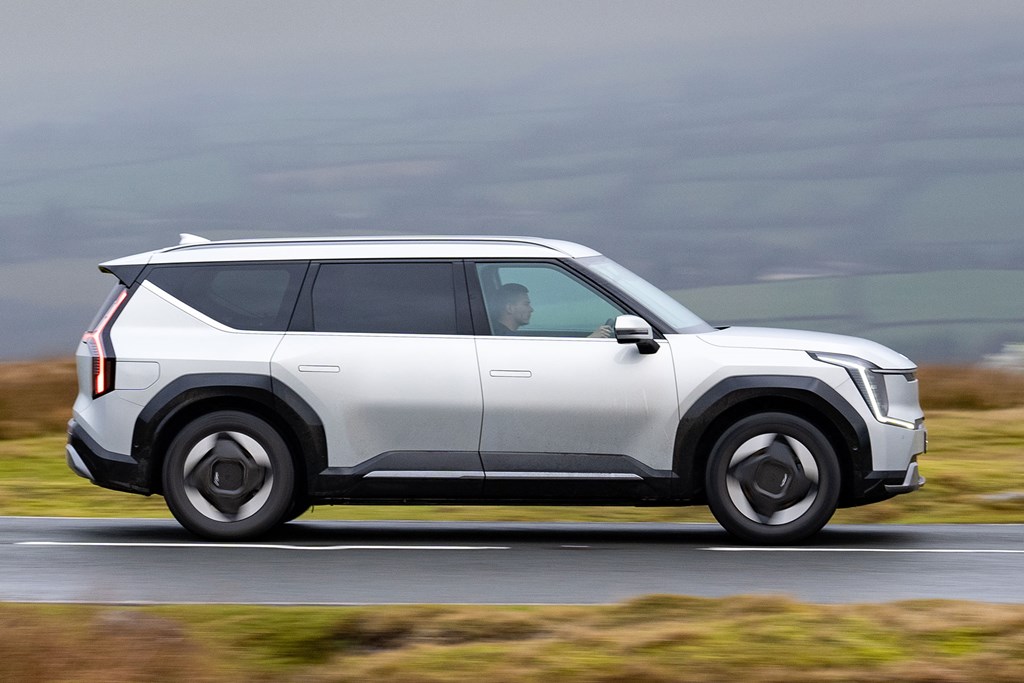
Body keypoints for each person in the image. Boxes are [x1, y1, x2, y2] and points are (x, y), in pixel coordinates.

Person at [491, 283, 613, 337]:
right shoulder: (504, 339)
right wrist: (590, 340)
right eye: (526, 304)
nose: (531, 309)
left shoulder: (502, 333)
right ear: (510, 308)